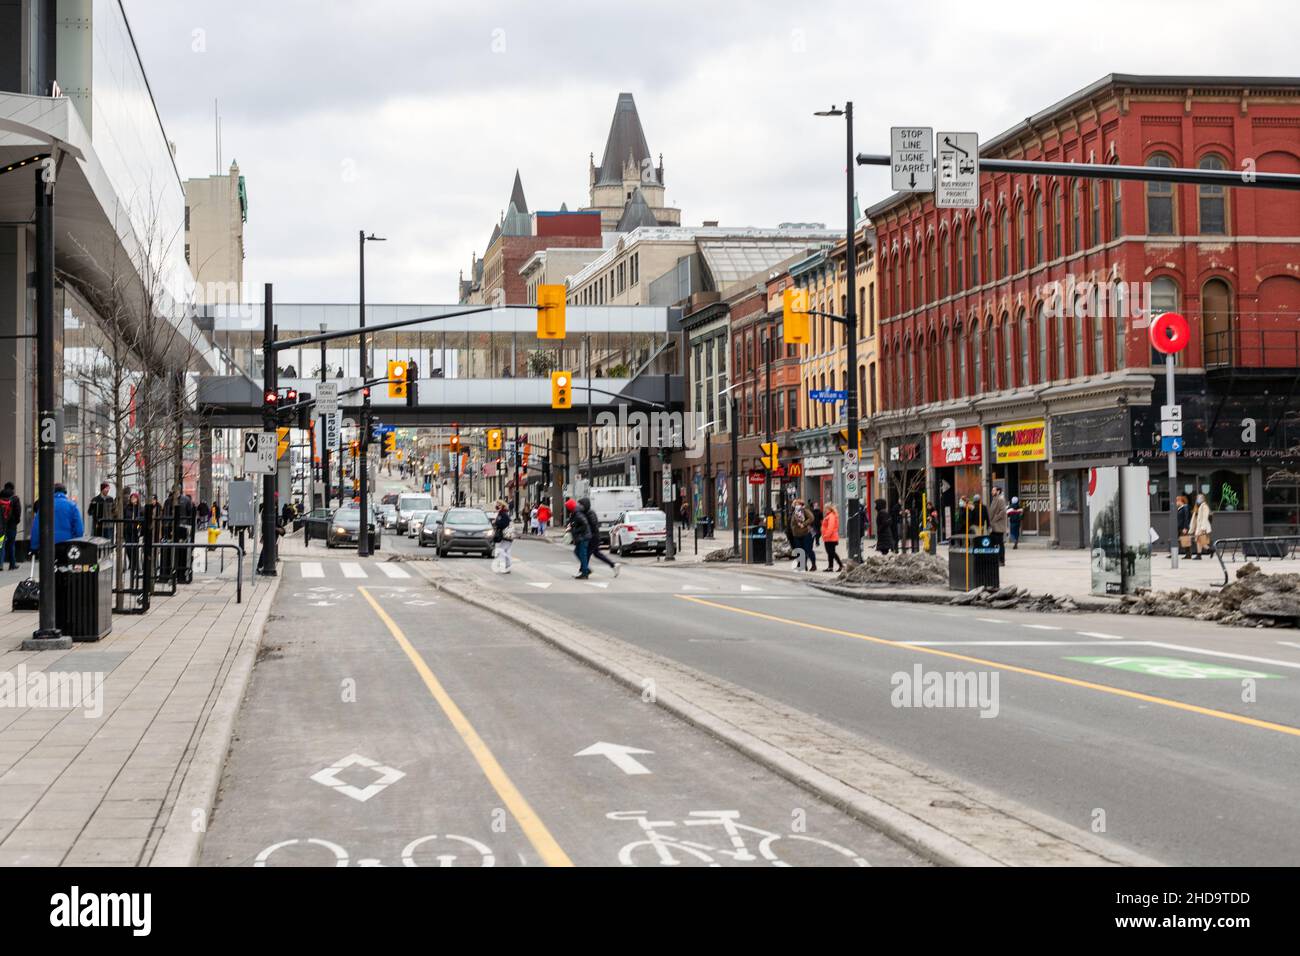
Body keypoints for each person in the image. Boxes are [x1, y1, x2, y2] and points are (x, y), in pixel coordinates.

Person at [580, 497, 620, 576]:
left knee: (587, 554)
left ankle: (584, 571)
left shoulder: (590, 513)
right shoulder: (588, 512)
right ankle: (613, 565)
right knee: (596, 554)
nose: (580, 506)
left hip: (593, 537)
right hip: (594, 536)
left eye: (581, 504)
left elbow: (593, 525)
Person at [565, 498, 592, 578]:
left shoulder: (577, 513)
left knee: (582, 554)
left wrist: (575, 530)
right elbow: (578, 523)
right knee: (578, 552)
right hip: (582, 536)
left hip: (583, 537)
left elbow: (585, 524)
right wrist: (572, 526)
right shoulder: (576, 512)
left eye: (567, 507)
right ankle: (585, 569)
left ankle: (585, 572)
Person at [788, 499, 816, 570]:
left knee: (808, 549)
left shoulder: (804, 510)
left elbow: (811, 518)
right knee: (800, 550)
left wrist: (804, 524)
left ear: (801, 504)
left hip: (806, 533)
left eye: (796, 503)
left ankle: (813, 565)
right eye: (794, 504)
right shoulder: (795, 511)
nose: (794, 505)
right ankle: (803, 565)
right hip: (796, 534)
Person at [0, 482, 21, 569]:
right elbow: (18, 513)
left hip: (1, 526)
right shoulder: (15, 499)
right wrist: (16, 522)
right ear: (13, 489)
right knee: (11, 544)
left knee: (1, 545)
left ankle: (0, 564)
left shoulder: (0, 499)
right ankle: (12, 564)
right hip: (12, 526)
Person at [988, 487, 1009, 566]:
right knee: (994, 543)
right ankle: (996, 559)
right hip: (994, 526)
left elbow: (1003, 511)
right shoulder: (994, 499)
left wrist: (994, 519)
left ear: (998, 491)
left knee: (1000, 543)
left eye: (993, 490)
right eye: (992, 490)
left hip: (998, 526)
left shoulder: (1000, 499)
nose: (992, 492)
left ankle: (1001, 560)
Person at [492, 499, 513, 573]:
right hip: (506, 536)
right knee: (506, 551)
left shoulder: (503, 514)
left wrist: (496, 522)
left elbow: (503, 524)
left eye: (498, 505)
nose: (497, 506)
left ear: (502, 506)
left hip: (506, 535)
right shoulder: (502, 513)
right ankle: (507, 566)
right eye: (497, 504)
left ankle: (505, 567)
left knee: (502, 551)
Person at [1190, 493, 1213, 560]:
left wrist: (1203, 528)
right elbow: (1195, 518)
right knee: (1199, 541)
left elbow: (1205, 518)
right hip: (1198, 526)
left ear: (1203, 499)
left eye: (1200, 498)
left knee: (1199, 540)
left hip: (1202, 526)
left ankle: (1201, 554)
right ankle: (1209, 550)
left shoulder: (1205, 506)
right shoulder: (1197, 506)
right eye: (1197, 498)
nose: (1198, 499)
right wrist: (1193, 527)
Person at [821, 503, 843, 572]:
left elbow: (830, 527)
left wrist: (826, 535)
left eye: (825, 508)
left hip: (830, 538)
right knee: (830, 553)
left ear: (829, 509)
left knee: (832, 553)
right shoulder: (829, 515)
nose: (824, 510)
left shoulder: (831, 516)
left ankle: (840, 565)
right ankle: (830, 567)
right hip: (829, 538)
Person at [1175, 494, 1192, 559]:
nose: (1176, 503)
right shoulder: (1180, 508)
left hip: (1183, 527)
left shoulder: (1185, 507)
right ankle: (1174, 553)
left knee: (1185, 540)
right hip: (1179, 527)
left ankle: (1188, 555)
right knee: (1177, 540)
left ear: (1180, 501)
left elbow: (1186, 518)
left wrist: (1185, 527)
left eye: (1176, 501)